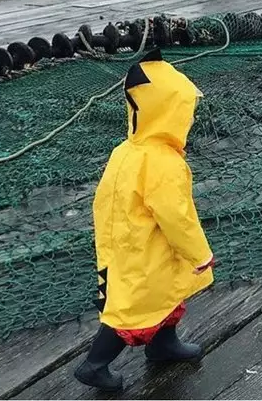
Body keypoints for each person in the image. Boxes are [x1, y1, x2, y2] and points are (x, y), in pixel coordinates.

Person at [74, 49, 215, 391]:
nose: (189, 119)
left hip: (126, 244)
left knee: (163, 295)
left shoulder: (126, 151)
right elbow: (177, 217)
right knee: (133, 309)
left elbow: (102, 200)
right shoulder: (163, 162)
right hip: (148, 251)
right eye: (184, 112)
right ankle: (94, 364)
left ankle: (163, 344)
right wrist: (200, 254)